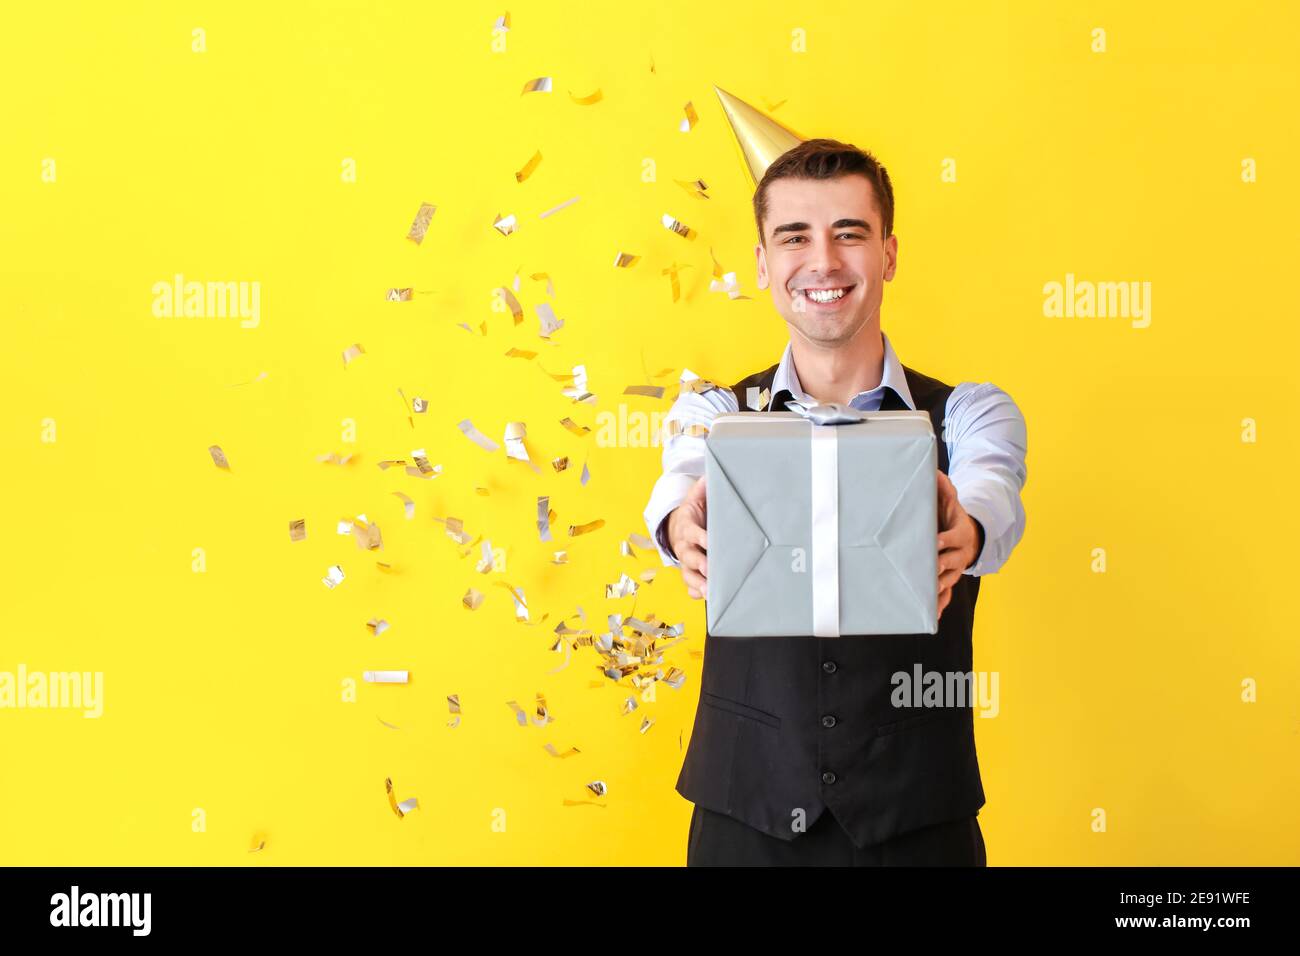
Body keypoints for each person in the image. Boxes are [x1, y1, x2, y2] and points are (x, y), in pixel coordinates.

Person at [642, 139, 1028, 866]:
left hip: (918, 823)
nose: (823, 261)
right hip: (742, 820)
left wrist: (968, 528)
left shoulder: (971, 412)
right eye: (795, 237)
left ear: (888, 253)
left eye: (849, 233)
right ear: (763, 264)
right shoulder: (714, 410)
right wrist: (676, 523)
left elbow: (993, 487)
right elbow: (681, 475)